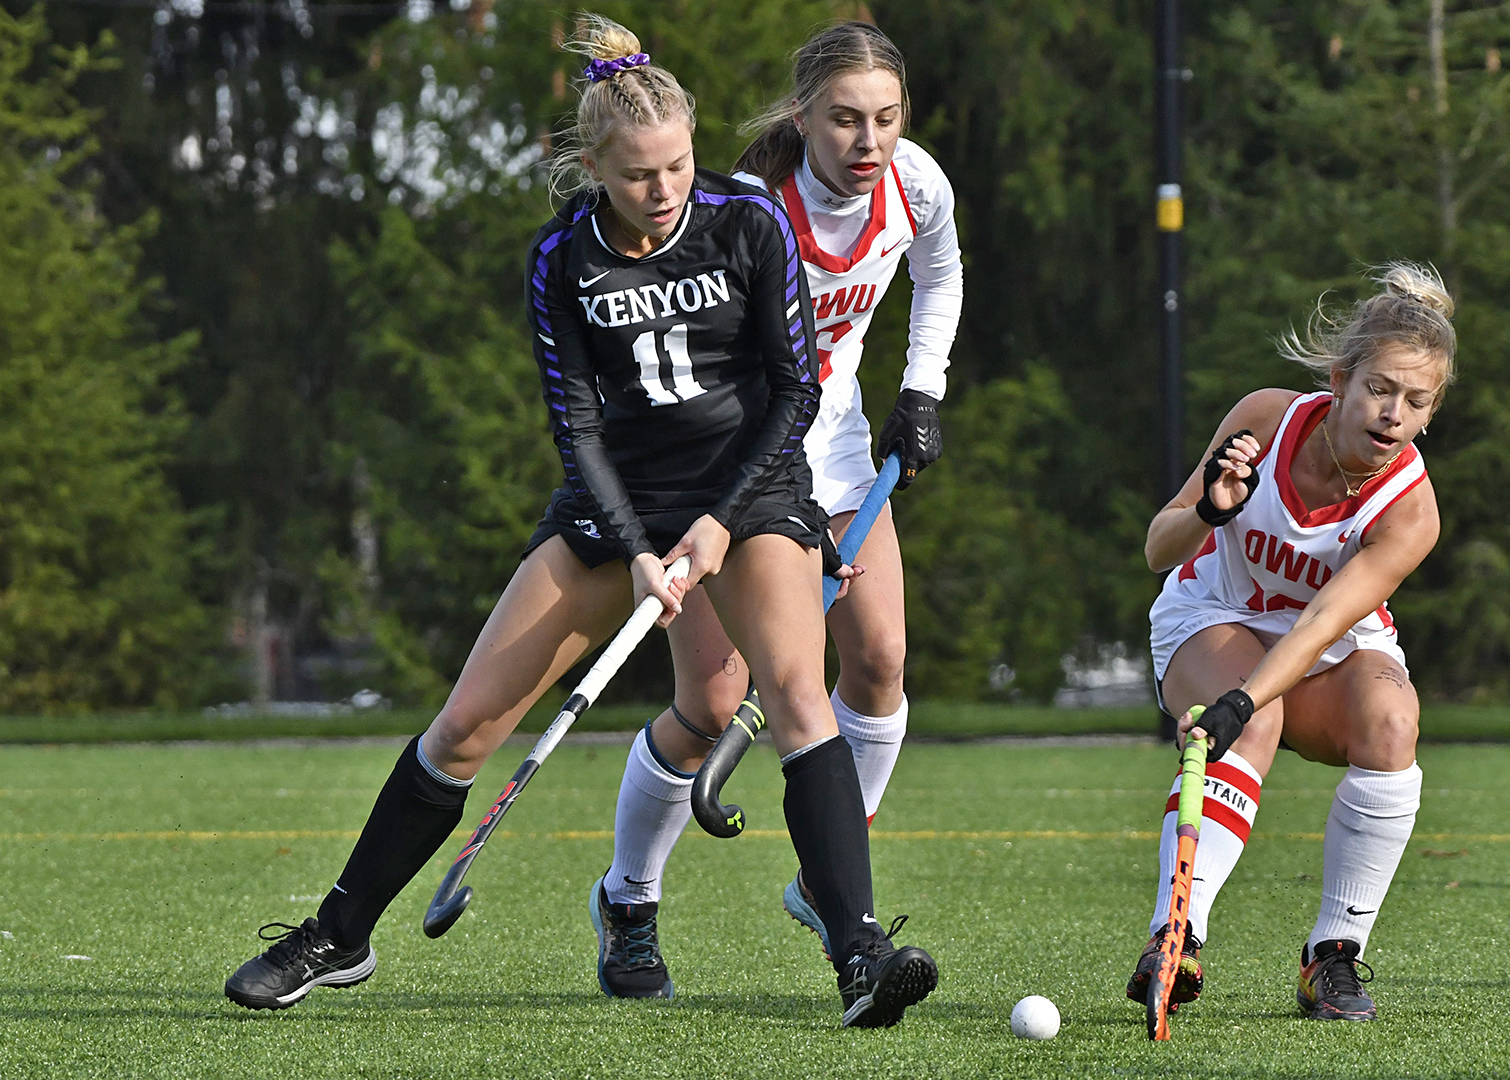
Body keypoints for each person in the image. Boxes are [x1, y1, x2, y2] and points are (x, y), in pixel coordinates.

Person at [221, 16, 937, 1029]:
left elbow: (793, 392)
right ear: (593, 166)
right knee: (468, 724)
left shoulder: (747, 221)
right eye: (641, 175)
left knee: (797, 699)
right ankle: (338, 935)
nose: (666, 191)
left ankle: (860, 950)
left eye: (679, 165)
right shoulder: (561, 260)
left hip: (750, 485)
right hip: (617, 504)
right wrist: (641, 548)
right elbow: (579, 426)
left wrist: (720, 524)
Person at [588, 19, 962, 990]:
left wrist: (923, 389)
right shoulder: (750, 210)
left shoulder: (918, 185)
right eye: (844, 120)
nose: (867, 141)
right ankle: (629, 899)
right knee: (711, 700)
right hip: (730, 459)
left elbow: (940, 275)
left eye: (884, 118)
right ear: (804, 119)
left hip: (838, 454)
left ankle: (837, 884)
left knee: (878, 657)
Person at [1126, 263, 1454, 1023]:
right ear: (1341, 379)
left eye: (1416, 401)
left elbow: (1318, 626)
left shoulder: (1411, 512)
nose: (1392, 414)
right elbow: (1156, 549)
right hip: (1211, 614)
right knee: (1258, 722)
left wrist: (1241, 700)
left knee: (1392, 723)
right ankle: (1176, 934)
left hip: (1320, 649)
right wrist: (1209, 509)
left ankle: (1332, 958)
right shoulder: (1266, 418)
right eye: (1379, 389)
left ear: (1431, 412)